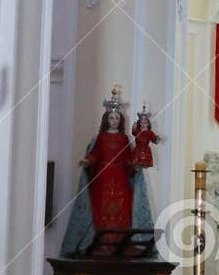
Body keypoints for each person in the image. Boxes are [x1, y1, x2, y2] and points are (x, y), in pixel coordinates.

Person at [60, 86, 153, 255]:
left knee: (122, 207)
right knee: (100, 207)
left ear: (120, 120)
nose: (114, 120)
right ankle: (100, 243)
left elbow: (129, 158)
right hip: (102, 179)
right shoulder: (100, 138)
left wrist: (137, 162)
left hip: (120, 180)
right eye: (111, 117)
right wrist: (87, 161)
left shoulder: (125, 138)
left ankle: (121, 243)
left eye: (117, 117)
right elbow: (95, 154)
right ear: (106, 119)